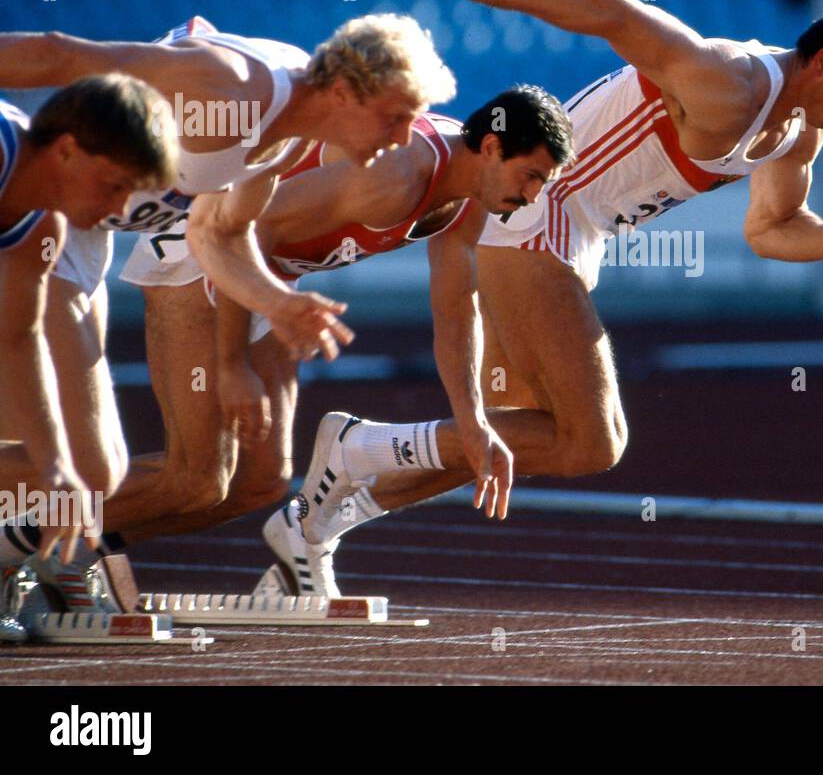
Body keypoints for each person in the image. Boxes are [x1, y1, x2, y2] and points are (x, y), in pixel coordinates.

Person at [263, 0, 823, 598]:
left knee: (510, 439)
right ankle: (355, 448)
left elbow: (772, 229)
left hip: (578, 240)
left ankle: (314, 526)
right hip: (537, 214)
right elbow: (612, 10)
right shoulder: (729, 82)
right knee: (592, 441)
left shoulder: (797, 134)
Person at [0, 14, 453, 603]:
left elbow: (219, 234)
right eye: (395, 117)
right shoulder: (231, 84)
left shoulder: (282, 138)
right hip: (42, 208)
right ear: (344, 92)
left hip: (82, 238)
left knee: (95, 472)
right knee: (68, 459)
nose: (401, 138)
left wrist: (277, 302)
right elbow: (64, 51)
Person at [87, 87, 571, 597]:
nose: (534, 195)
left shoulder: (472, 195)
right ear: (493, 148)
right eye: (532, 176)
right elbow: (245, 228)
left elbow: (455, 314)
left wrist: (473, 427)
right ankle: (28, 541)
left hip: (269, 278)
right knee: (197, 478)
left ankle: (74, 546)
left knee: (260, 484)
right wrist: (231, 364)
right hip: (207, 251)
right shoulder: (396, 175)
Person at [0, 75, 177, 640]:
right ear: (68, 149)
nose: (119, 209)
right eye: (115, 184)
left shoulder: (41, 228)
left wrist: (56, 472)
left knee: (88, 470)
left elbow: (17, 341)